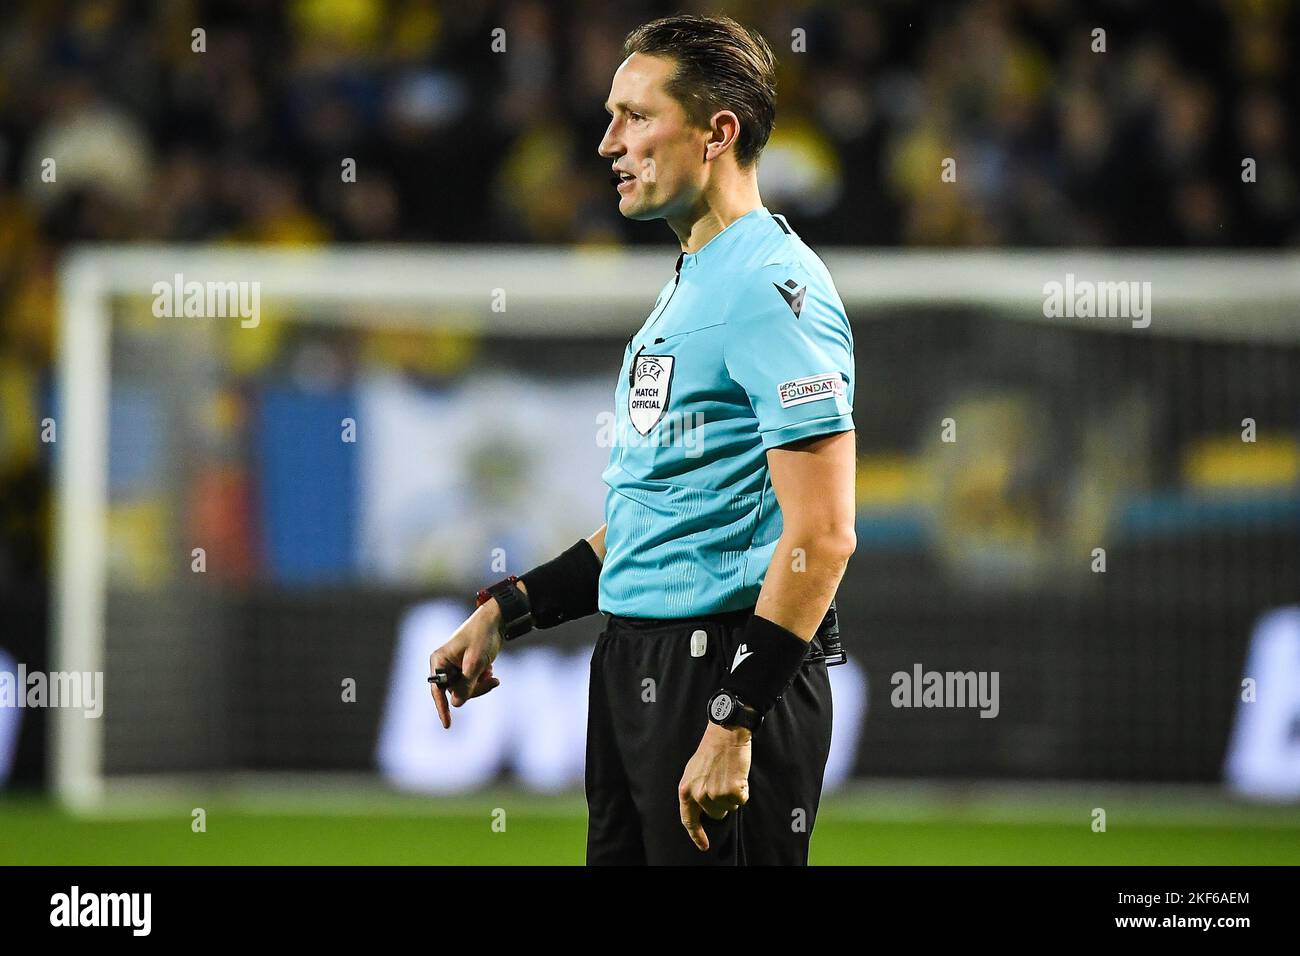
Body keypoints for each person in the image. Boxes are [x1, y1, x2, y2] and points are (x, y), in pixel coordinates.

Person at [429, 13, 856, 866]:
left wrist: (734, 719)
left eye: (635, 116)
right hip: (637, 666)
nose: (606, 143)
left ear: (716, 133)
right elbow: (658, 521)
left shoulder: (770, 287)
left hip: (721, 671)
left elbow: (823, 531)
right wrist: (505, 613)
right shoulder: (692, 285)